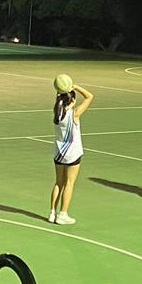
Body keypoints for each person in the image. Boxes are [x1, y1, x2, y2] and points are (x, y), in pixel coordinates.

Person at [48, 75, 94, 224]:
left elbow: (59, 98)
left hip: (58, 153)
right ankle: (63, 214)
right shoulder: (74, 114)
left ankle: (52, 213)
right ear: (72, 100)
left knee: (58, 183)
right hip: (72, 154)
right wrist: (76, 87)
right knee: (69, 184)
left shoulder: (57, 112)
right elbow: (89, 97)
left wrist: (63, 90)